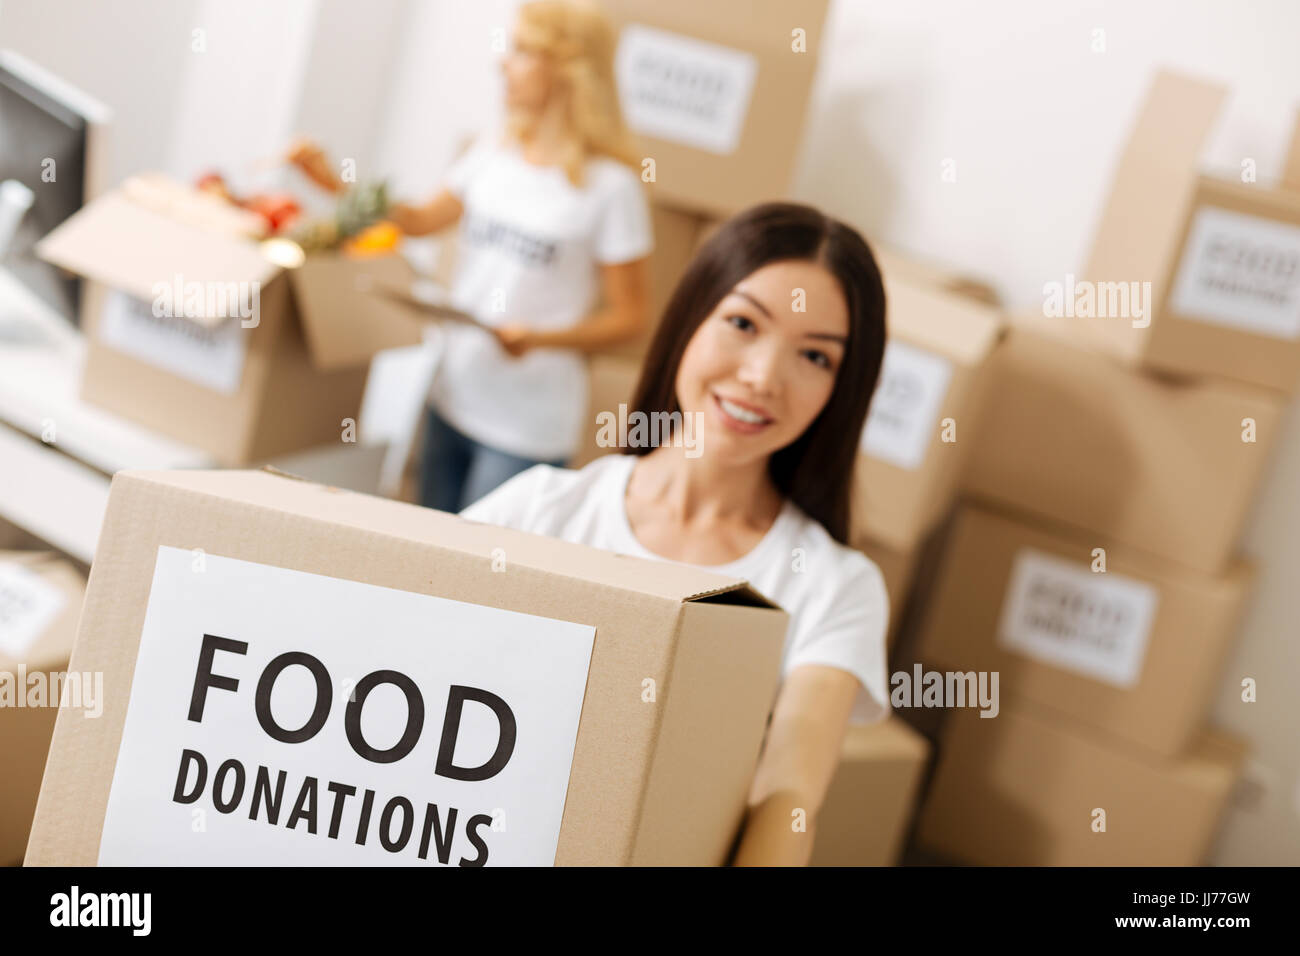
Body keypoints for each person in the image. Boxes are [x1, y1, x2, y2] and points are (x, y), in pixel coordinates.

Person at [462, 202, 891, 866]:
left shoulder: (835, 585)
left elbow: (789, 794)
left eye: (815, 355)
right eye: (743, 323)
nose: (763, 376)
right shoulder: (538, 510)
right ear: (690, 319)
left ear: (843, 388)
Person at [290, 0, 652, 512]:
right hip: (453, 396)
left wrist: (540, 339)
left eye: (524, 51)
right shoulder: (493, 152)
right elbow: (416, 220)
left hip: (525, 427)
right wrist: (331, 181)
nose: (502, 63)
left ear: (570, 69)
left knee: (481, 575)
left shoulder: (612, 189)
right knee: (426, 552)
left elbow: (631, 318)